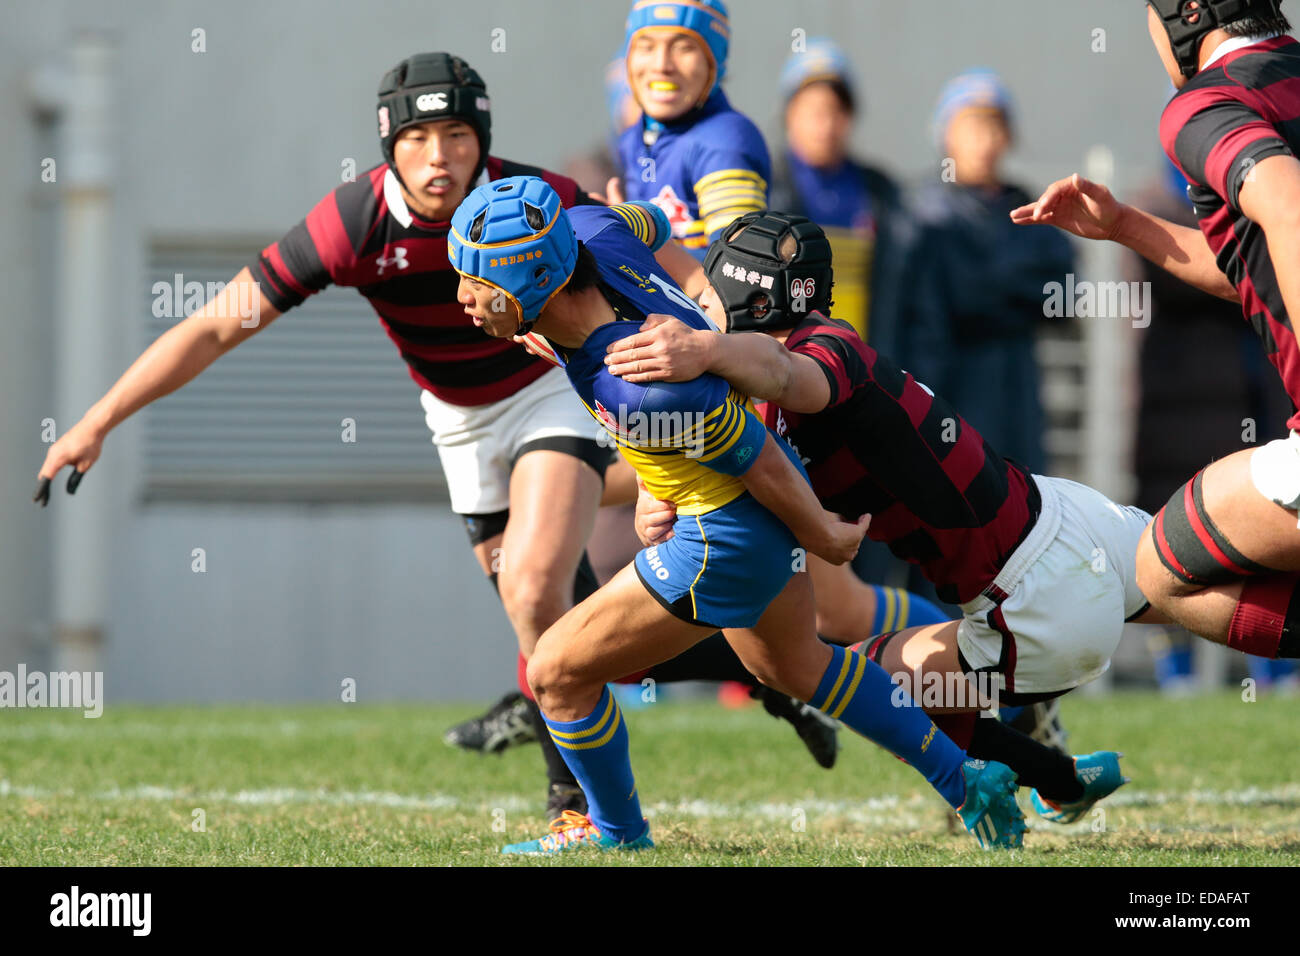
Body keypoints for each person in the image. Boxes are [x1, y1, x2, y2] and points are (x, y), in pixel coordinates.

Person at [31, 51, 688, 824]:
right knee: (546, 613)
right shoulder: (353, 225)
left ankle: (577, 808)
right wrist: (97, 418)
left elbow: (656, 253)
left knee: (535, 584)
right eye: (416, 138)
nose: (437, 157)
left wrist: (715, 322)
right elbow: (215, 327)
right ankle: (733, 659)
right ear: (388, 146)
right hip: (457, 422)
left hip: (548, 392)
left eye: (454, 135)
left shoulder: (533, 199)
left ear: (482, 138)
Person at [449, 176, 1026, 852]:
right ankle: (968, 781)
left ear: (540, 280)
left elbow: (758, 459)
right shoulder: (587, 228)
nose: (462, 297)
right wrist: (701, 319)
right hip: (737, 517)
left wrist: (824, 534)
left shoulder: (641, 385)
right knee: (797, 665)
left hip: (721, 537)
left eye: (477, 281)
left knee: (554, 673)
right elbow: (656, 228)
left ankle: (617, 836)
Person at [605, 211, 1152, 823]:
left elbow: (785, 378)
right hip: (1068, 513)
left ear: (749, 302)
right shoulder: (777, 374)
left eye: (709, 295)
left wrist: (698, 355)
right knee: (1233, 586)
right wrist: (661, 493)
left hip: (1032, 601)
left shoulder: (820, 353)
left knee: (856, 686)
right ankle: (1061, 777)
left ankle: (1042, 768)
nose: (695, 308)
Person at [1011, 0, 1300, 664]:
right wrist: (1124, 225)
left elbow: (1286, 206)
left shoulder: (1207, 101)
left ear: (1186, 14)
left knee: (1158, 571)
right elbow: (1259, 267)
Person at [909, 70, 1074, 477]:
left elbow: (1065, 297)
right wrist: (1013, 285)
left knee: (1024, 510)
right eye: (971, 126)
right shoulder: (920, 211)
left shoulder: (1029, 209)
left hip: (1017, 396)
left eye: (995, 126)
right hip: (940, 392)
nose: (985, 140)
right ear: (945, 133)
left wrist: (981, 280)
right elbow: (938, 307)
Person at [610, 0, 769, 267]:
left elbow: (737, 272)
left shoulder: (723, 142)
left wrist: (632, 239)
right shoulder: (634, 138)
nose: (662, 65)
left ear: (714, 61)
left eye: (684, 47)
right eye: (646, 46)